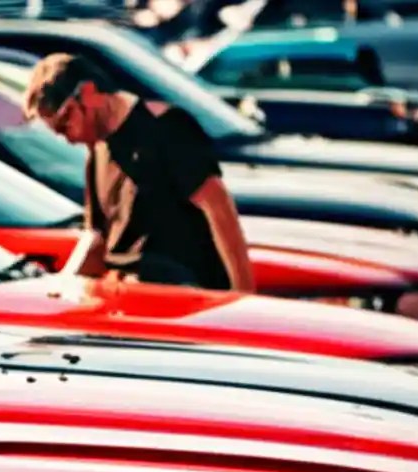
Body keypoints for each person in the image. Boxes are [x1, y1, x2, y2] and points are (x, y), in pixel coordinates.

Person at [23, 52, 256, 292]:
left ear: (88, 92)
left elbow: (219, 208)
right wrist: (62, 286)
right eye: (58, 133)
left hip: (181, 297)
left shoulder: (166, 127)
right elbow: (96, 239)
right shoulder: (98, 151)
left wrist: (243, 294)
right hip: (125, 299)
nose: (69, 138)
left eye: (65, 123)